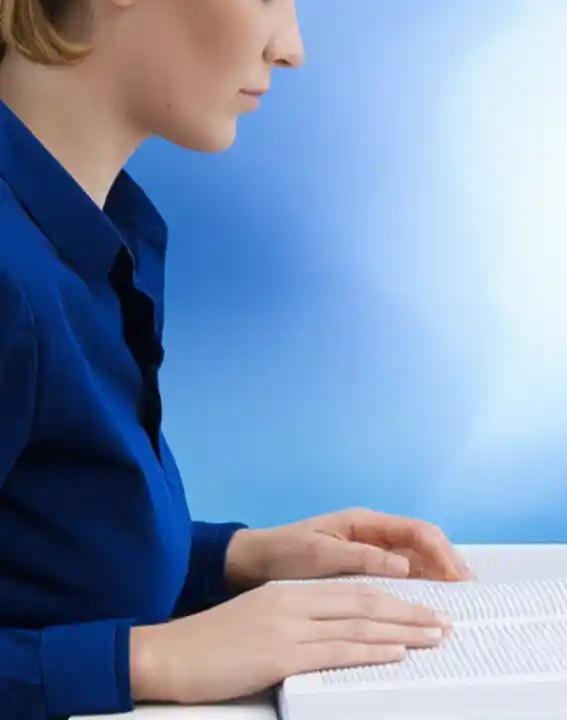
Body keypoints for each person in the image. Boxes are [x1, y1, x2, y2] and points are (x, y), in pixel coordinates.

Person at [0, 2, 469, 718]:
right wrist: (153, 659)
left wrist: (231, 560)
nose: (292, 48)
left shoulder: (87, 233)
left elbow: (32, 558)